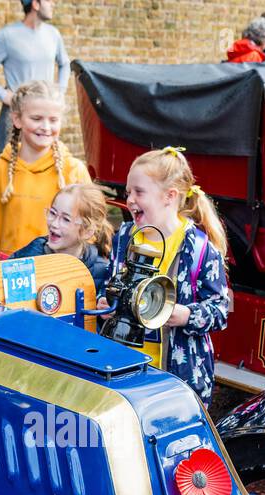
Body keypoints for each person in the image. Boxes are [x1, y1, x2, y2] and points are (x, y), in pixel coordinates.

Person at [104, 147, 231, 403]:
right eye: (128, 192)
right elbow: (110, 283)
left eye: (139, 192)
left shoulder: (198, 248)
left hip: (177, 378)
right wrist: (107, 303)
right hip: (124, 369)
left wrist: (187, 315)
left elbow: (220, 309)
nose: (129, 200)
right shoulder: (125, 237)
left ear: (169, 196)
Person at [0, 80, 89, 263]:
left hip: (58, 273)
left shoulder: (74, 171)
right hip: (8, 275)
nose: (46, 127)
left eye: (53, 120)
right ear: (17, 119)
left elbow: (91, 232)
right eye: (36, 118)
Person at [0, 0, 69, 158]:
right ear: (35, 4)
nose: (53, 4)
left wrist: (60, 94)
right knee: (8, 166)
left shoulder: (53, 34)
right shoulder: (8, 35)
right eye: (48, 1)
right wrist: (2, 95)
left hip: (44, 114)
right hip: (18, 112)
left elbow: (65, 64)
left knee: (46, 164)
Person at [11, 182, 113, 295]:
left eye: (66, 219)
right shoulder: (28, 258)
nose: (54, 223)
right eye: (53, 213)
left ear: (87, 231)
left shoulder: (100, 271)